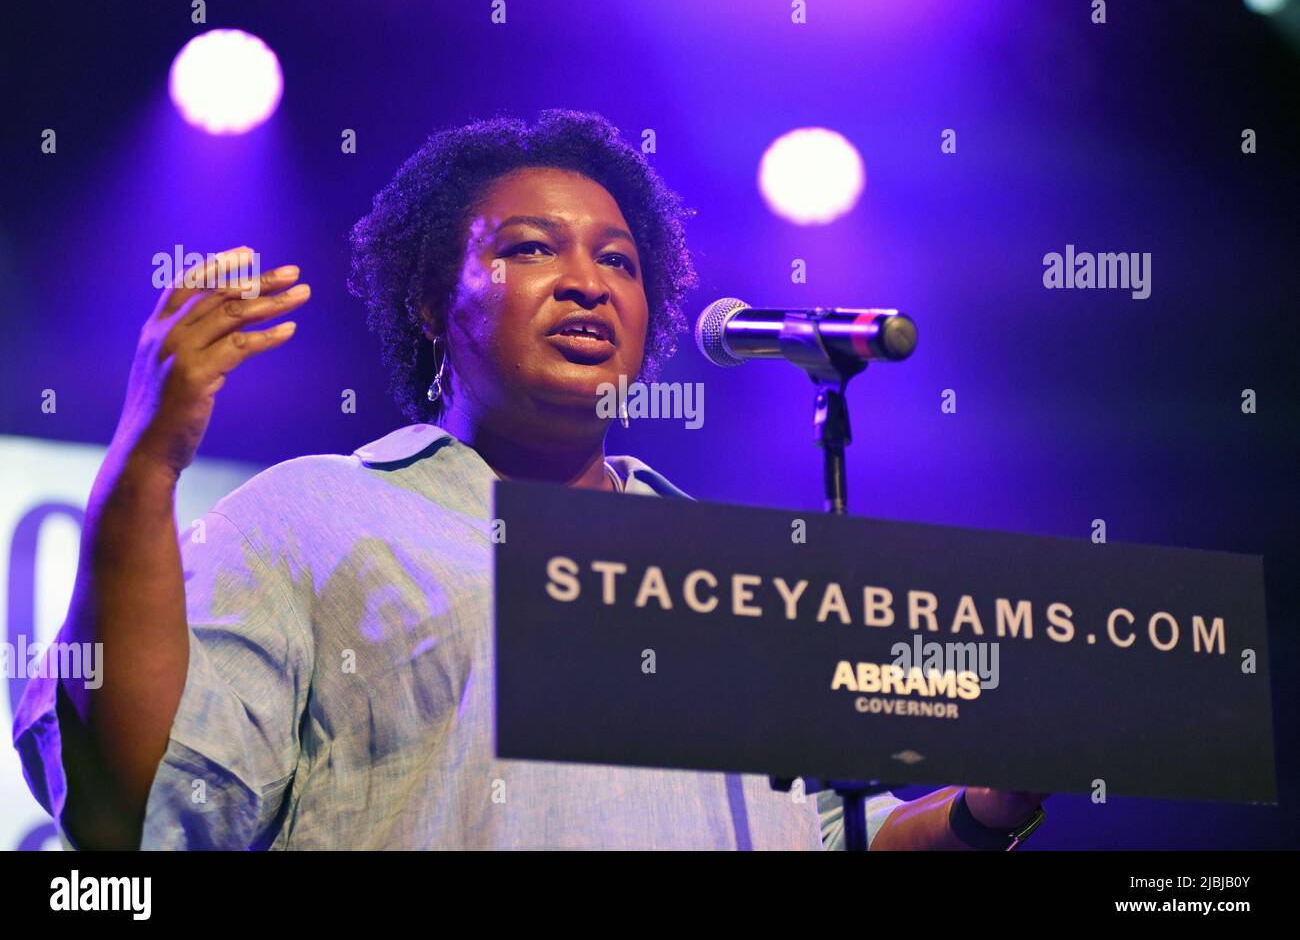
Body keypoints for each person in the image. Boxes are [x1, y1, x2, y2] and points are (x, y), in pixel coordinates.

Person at [13, 109, 1046, 850]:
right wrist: (146, 464)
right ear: (429, 302)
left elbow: (822, 832)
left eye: (621, 260)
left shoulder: (729, 570)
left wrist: (981, 807)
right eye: (527, 247)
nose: (588, 280)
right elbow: (136, 814)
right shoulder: (312, 515)